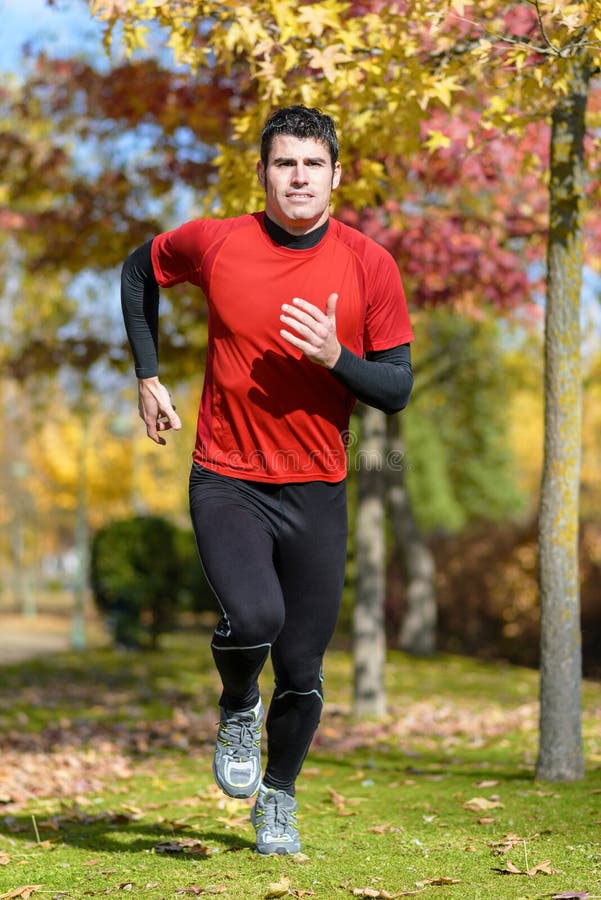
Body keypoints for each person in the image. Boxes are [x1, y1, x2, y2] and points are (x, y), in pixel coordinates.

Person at [120, 105, 414, 855]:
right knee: (252, 619)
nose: (298, 178)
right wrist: (148, 376)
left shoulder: (368, 264)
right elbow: (137, 269)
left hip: (317, 484)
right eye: (284, 163)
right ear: (263, 173)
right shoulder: (218, 241)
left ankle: (278, 794)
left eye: (312, 165)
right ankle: (234, 704)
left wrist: (334, 358)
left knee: (305, 669)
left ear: (335, 176)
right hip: (226, 474)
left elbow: (395, 387)